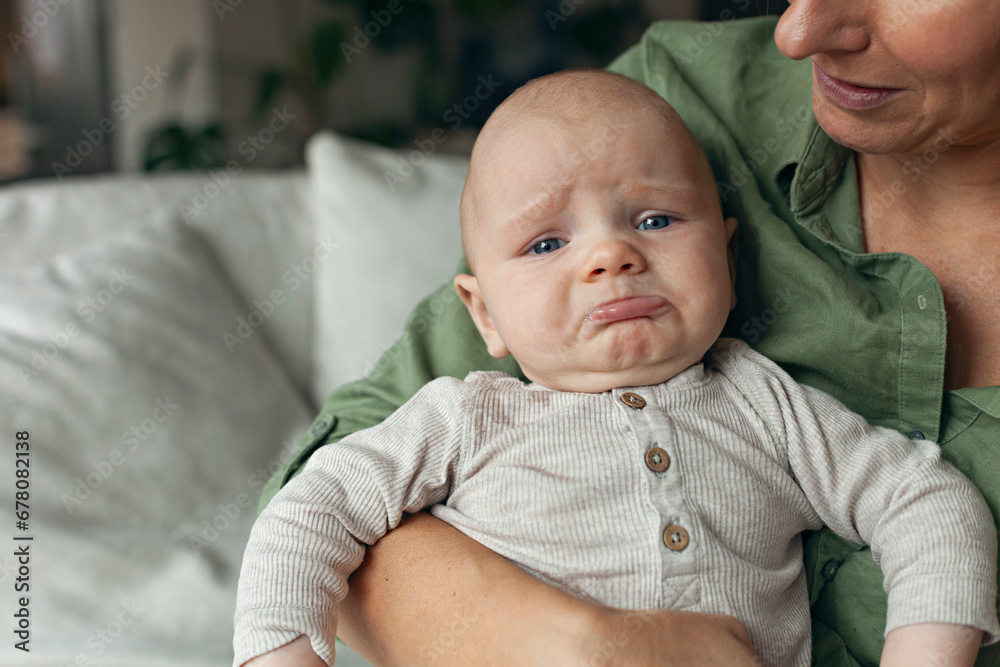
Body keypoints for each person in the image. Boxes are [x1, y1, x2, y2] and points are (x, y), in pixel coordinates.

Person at [245, 3, 1000, 666]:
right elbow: (311, 509)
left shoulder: (767, 407)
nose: (612, 256)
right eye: (547, 244)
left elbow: (923, 500)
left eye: (655, 220)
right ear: (483, 314)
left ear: (729, 259)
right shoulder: (464, 419)